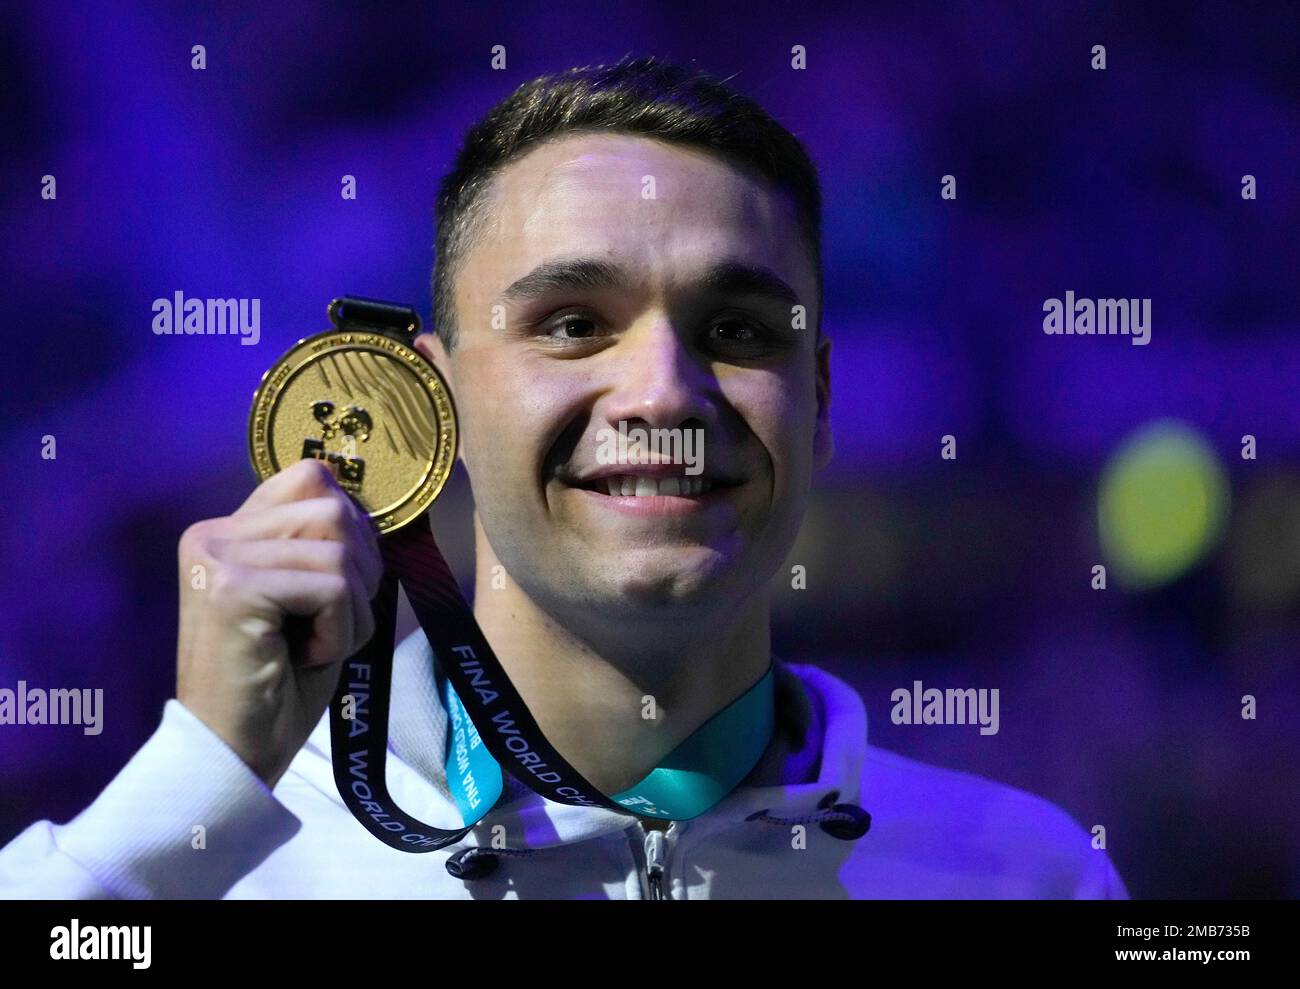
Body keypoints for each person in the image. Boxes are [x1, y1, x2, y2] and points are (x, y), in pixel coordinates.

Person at [0, 55, 1127, 899]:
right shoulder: (225, 859)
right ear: (431, 403)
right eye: (574, 322)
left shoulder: (1024, 874)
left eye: (735, 327)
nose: (665, 389)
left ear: (819, 399)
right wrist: (187, 797)